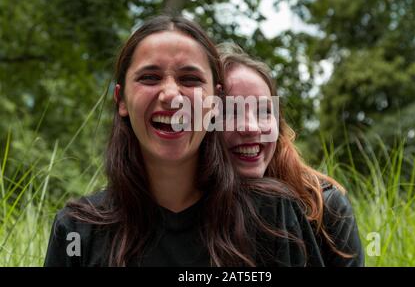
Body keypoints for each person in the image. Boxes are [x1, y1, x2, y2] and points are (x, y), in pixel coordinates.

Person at [44, 15, 324, 267]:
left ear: (215, 103)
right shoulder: (76, 231)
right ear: (121, 100)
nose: (171, 95)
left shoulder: (272, 214)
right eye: (150, 77)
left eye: (189, 79)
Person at [218, 42, 365, 266]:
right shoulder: (180, 207)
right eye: (230, 111)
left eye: (264, 111)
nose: (251, 128)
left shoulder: (325, 205)